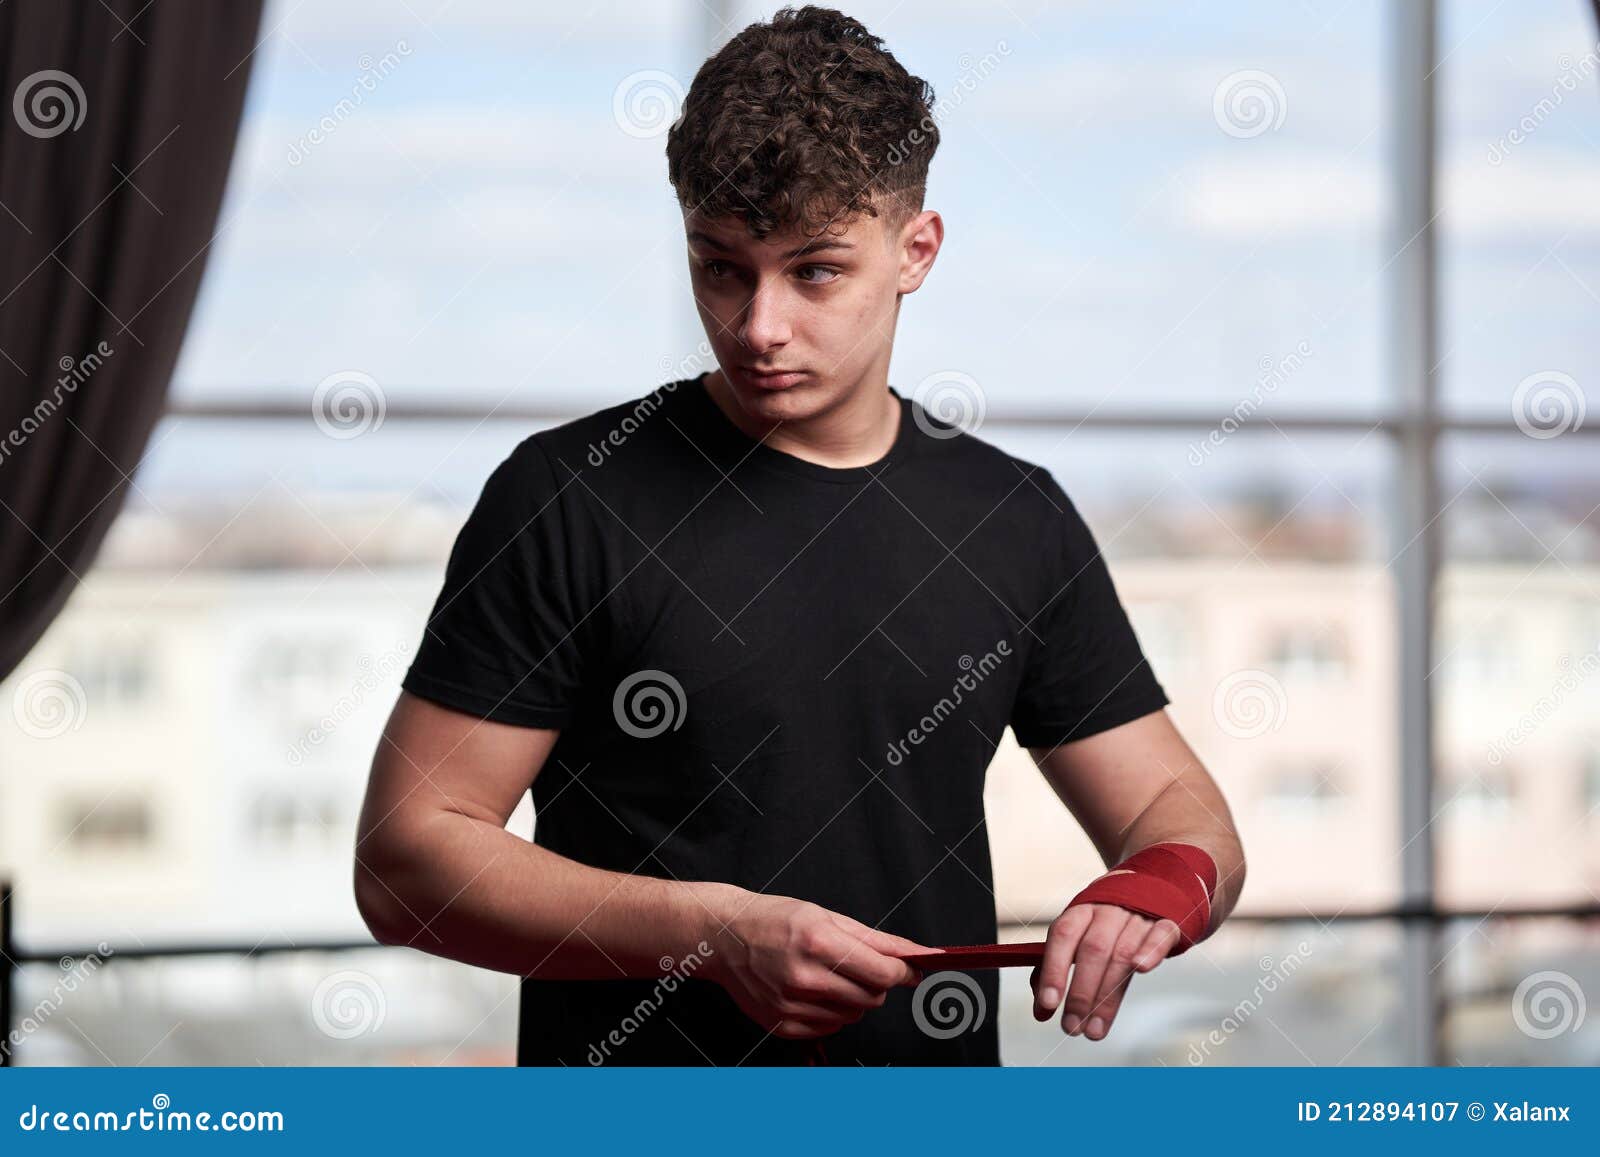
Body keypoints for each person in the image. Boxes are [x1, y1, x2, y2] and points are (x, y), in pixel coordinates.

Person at [354, 4, 1244, 1066]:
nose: (757, 326)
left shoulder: (1012, 515)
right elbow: (405, 866)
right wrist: (710, 934)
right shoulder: (570, 493)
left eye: (813, 271)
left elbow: (1170, 807)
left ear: (915, 250)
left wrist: (1155, 884)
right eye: (721, 266)